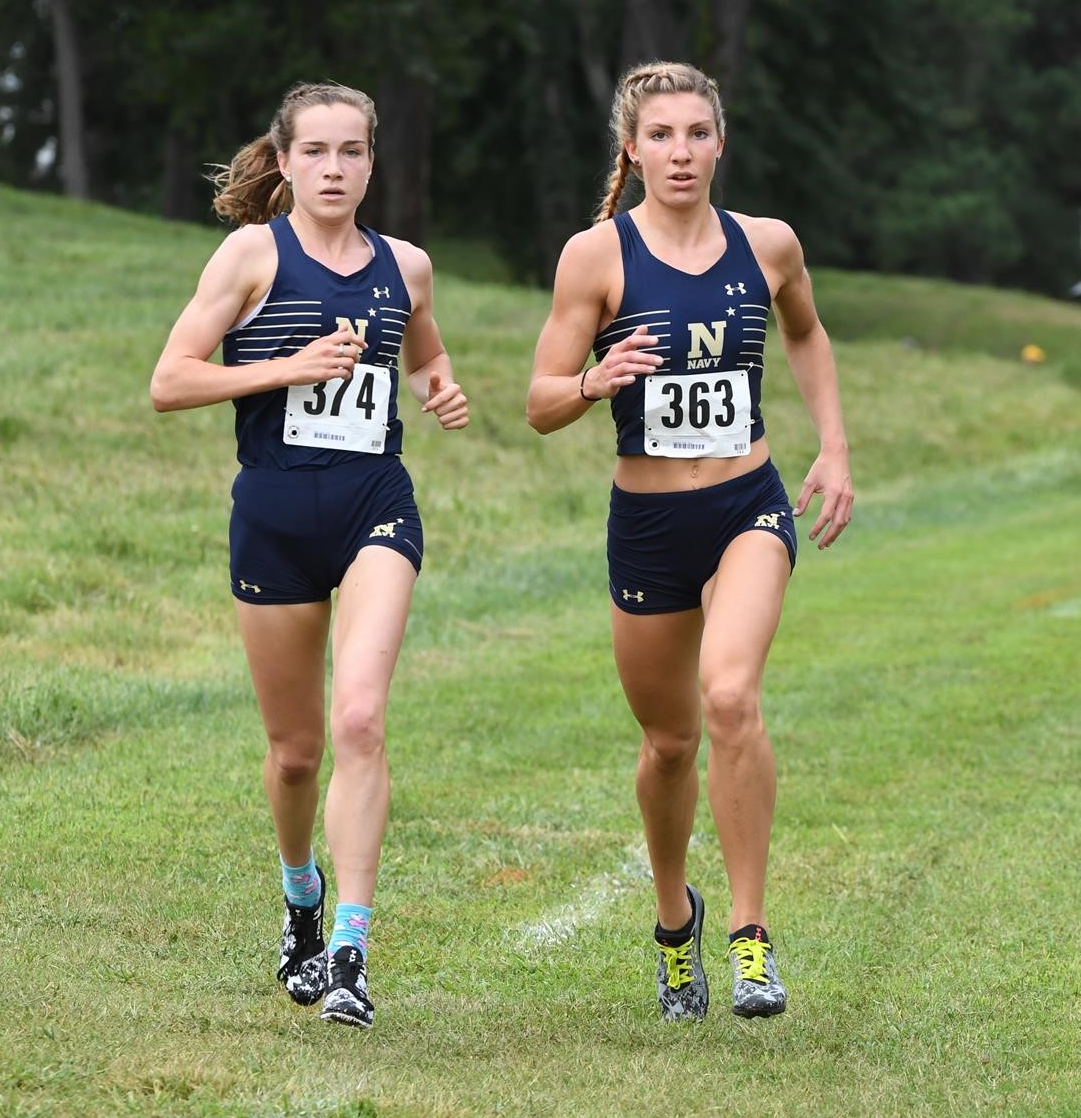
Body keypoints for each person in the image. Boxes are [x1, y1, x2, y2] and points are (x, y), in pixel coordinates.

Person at [525, 62, 853, 1021]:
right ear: (633, 148)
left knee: (729, 694)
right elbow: (539, 401)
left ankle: (751, 938)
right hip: (650, 523)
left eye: (698, 133)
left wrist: (832, 444)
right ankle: (678, 925)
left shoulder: (769, 245)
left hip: (747, 503)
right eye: (661, 136)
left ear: (721, 142)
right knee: (668, 742)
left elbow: (808, 334)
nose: (681, 152)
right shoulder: (596, 257)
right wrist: (593, 382)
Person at [149, 82, 468, 1030]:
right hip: (276, 519)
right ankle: (302, 900)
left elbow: (423, 356)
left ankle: (352, 952)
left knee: (361, 717)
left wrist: (441, 390)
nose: (335, 169)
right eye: (317, 152)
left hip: (377, 506)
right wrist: (287, 366)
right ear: (283, 162)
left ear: (375, 161)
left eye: (353, 152)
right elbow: (169, 381)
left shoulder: (405, 266)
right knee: (295, 754)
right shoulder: (253, 253)